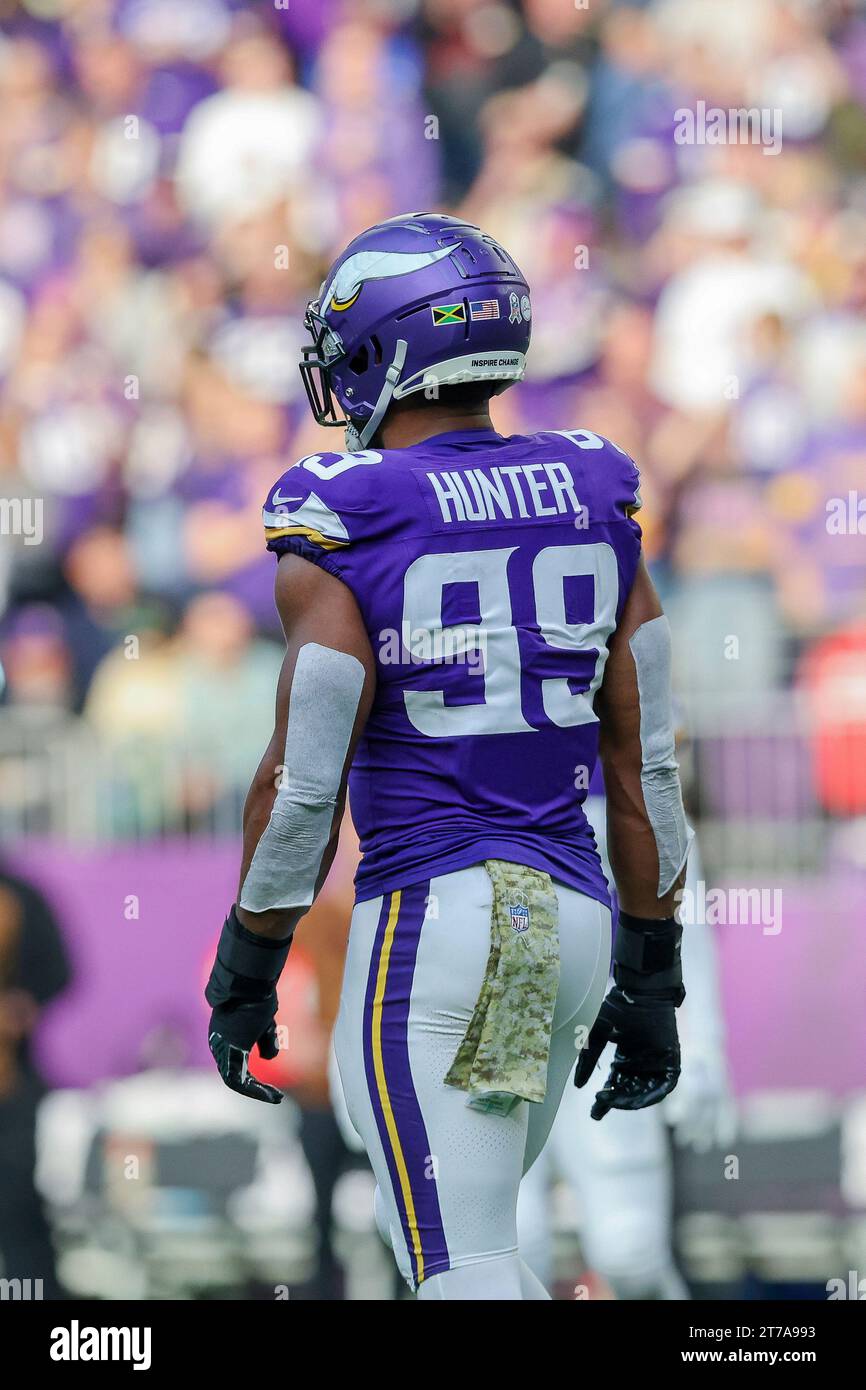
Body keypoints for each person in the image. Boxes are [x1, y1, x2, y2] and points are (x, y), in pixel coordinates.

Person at [203, 212, 693, 1300]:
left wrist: (247, 962)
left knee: (457, 1266)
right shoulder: (589, 487)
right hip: (555, 921)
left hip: (439, 920)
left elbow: (301, 786)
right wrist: (651, 968)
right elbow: (643, 762)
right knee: (472, 1249)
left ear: (388, 348)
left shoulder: (349, 510)